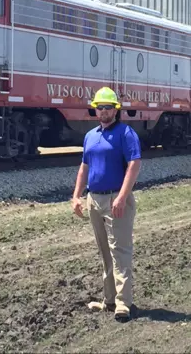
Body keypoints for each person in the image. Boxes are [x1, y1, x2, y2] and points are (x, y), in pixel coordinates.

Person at [71, 86, 142, 323]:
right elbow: (84, 167)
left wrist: (122, 197)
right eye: (99, 108)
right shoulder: (90, 136)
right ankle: (109, 299)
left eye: (107, 108)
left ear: (116, 110)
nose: (103, 112)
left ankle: (124, 303)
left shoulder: (126, 133)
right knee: (105, 252)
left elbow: (134, 165)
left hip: (115, 199)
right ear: (95, 110)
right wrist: (77, 196)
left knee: (120, 250)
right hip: (94, 199)